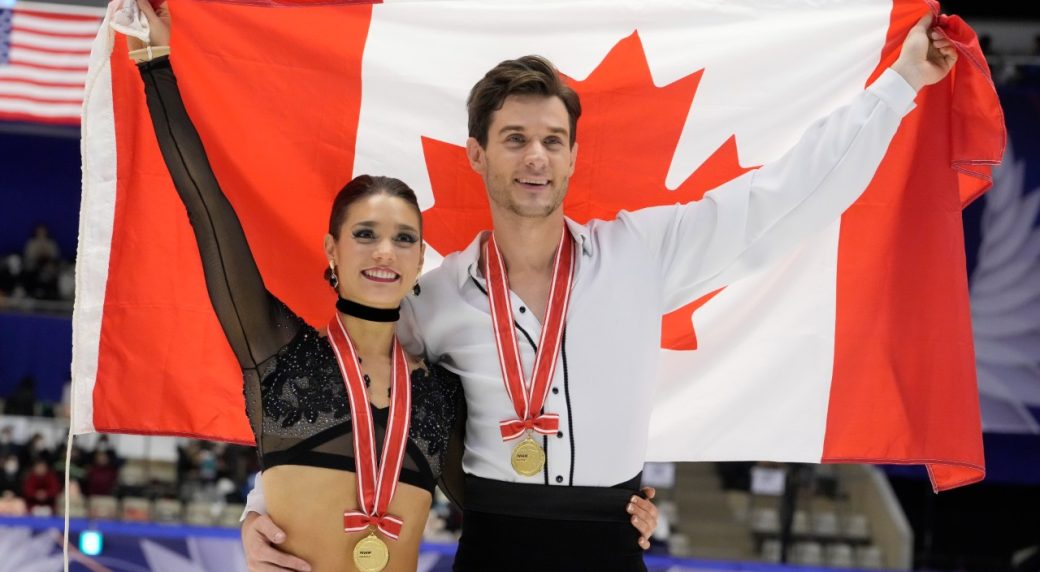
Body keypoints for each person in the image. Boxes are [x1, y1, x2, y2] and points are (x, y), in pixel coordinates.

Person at [240, 8, 958, 572]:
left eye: (552, 140)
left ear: (574, 156)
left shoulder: (639, 253)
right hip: (493, 546)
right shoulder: (438, 296)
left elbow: (783, 195)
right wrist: (259, 509)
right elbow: (345, 400)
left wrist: (898, 86)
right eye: (515, 138)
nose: (535, 158)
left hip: (611, 543)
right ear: (477, 154)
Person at [124, 2, 656, 570]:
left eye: (405, 238)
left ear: (421, 257)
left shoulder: (439, 392)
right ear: (332, 250)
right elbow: (208, 210)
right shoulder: (277, 353)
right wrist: (153, 63)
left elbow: (506, 501)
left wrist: (615, 506)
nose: (385, 250)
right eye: (366, 233)